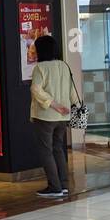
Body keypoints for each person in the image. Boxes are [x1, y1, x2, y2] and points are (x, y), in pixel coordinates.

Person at [28, 34, 78, 199]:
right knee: (58, 150)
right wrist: (71, 107)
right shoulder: (64, 65)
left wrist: (54, 104)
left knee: (46, 151)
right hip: (63, 116)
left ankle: (54, 187)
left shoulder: (40, 68)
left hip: (46, 115)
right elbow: (72, 89)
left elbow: (36, 90)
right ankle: (63, 186)